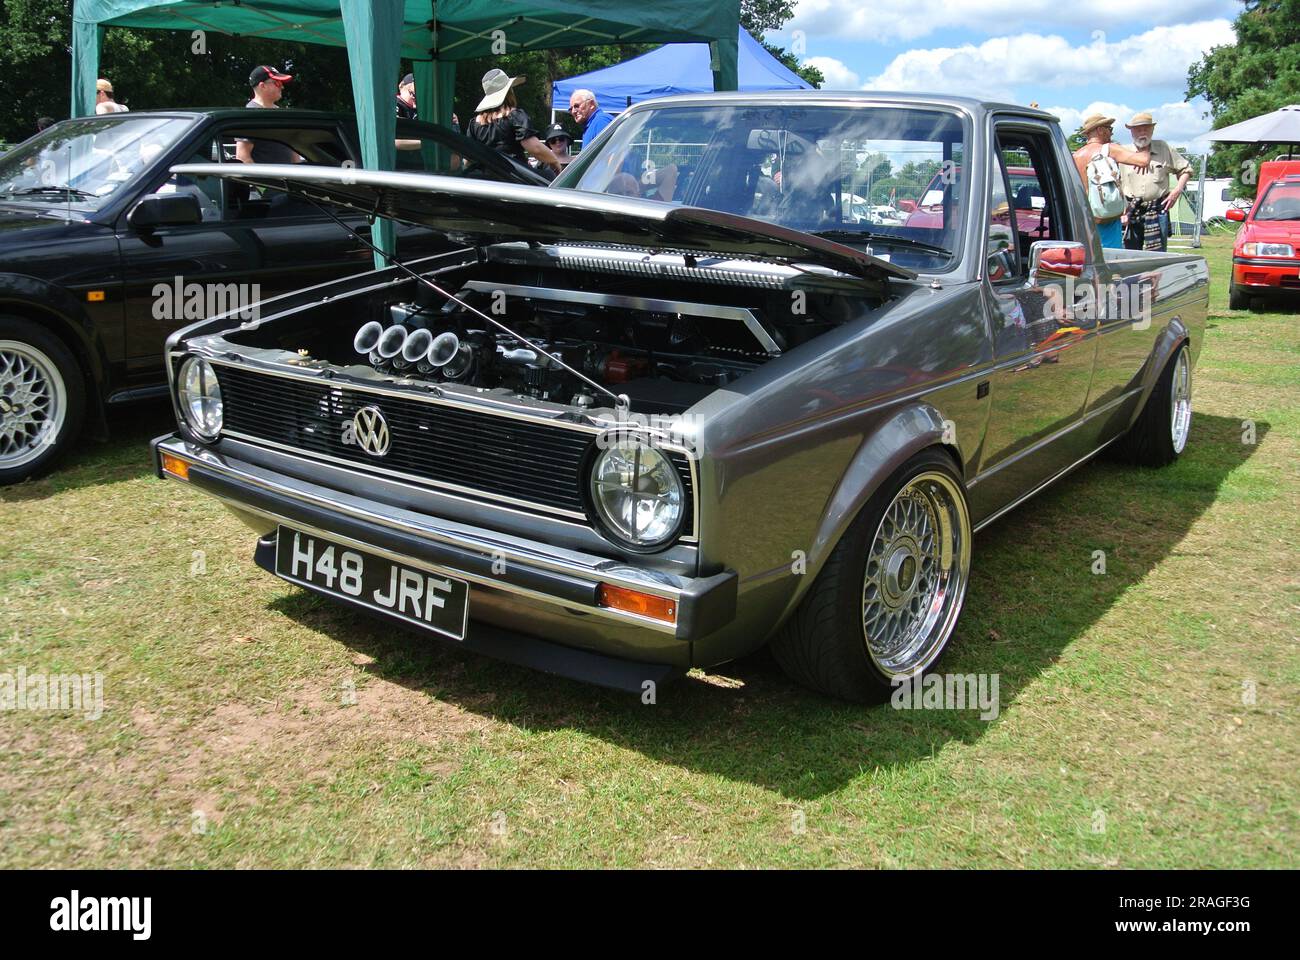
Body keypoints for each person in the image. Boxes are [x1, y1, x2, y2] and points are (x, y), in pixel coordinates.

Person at [1072, 114, 1151, 249]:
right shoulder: (1109, 149)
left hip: (1083, 216)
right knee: (1110, 256)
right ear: (1100, 130)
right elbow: (1143, 161)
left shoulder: (1076, 155)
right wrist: (1144, 141)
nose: (1111, 132)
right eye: (1109, 128)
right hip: (1105, 216)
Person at [1119, 111, 1193, 251]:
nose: (1142, 132)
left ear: (1152, 130)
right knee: (1130, 257)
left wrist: (1177, 191)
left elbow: (1186, 170)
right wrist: (1121, 212)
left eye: (1146, 128)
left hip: (1157, 211)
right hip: (1131, 211)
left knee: (1158, 257)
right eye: (1138, 129)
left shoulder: (1163, 148)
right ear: (1131, 132)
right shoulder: (1123, 152)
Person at [466, 69, 560, 175]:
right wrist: (554, 161)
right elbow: (535, 148)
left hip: (485, 182)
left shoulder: (474, 123)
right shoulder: (515, 116)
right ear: (509, 91)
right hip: (512, 180)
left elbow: (468, 159)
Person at [235, 66, 299, 164]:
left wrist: (297, 174)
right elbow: (243, 156)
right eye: (277, 83)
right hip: (266, 178)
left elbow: (293, 150)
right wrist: (260, 179)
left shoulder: (282, 113)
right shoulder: (250, 115)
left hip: (288, 178)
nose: (282, 87)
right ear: (262, 86)